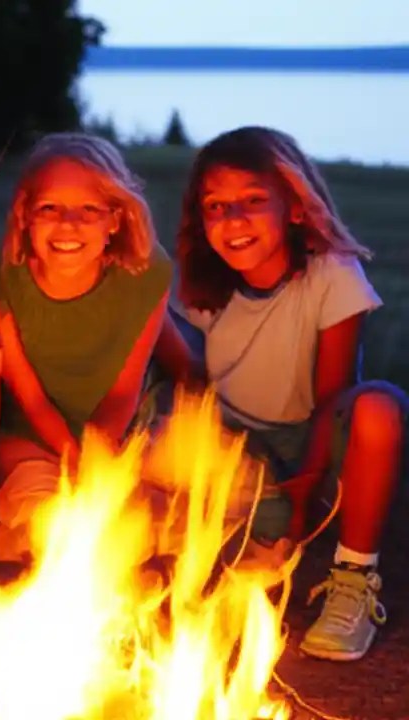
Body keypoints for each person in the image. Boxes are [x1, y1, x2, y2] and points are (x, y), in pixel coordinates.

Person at [168, 125, 405, 662]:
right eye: (216, 206)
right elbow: (191, 385)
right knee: (159, 428)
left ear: (295, 207)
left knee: (379, 407)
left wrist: (304, 491)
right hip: (240, 450)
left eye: (253, 201)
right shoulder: (206, 284)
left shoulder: (331, 275)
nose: (233, 220)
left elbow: (332, 397)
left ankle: (353, 580)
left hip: (312, 439)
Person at [0, 132, 173, 565]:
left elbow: (124, 391)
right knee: (49, 521)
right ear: (25, 215)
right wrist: (75, 464)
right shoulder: (1, 277)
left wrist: (97, 469)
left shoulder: (147, 272)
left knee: (146, 528)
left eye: (89, 209)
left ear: (116, 219)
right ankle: (6, 536)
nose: (68, 224)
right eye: (50, 208)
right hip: (28, 434)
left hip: (113, 431)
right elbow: (29, 398)